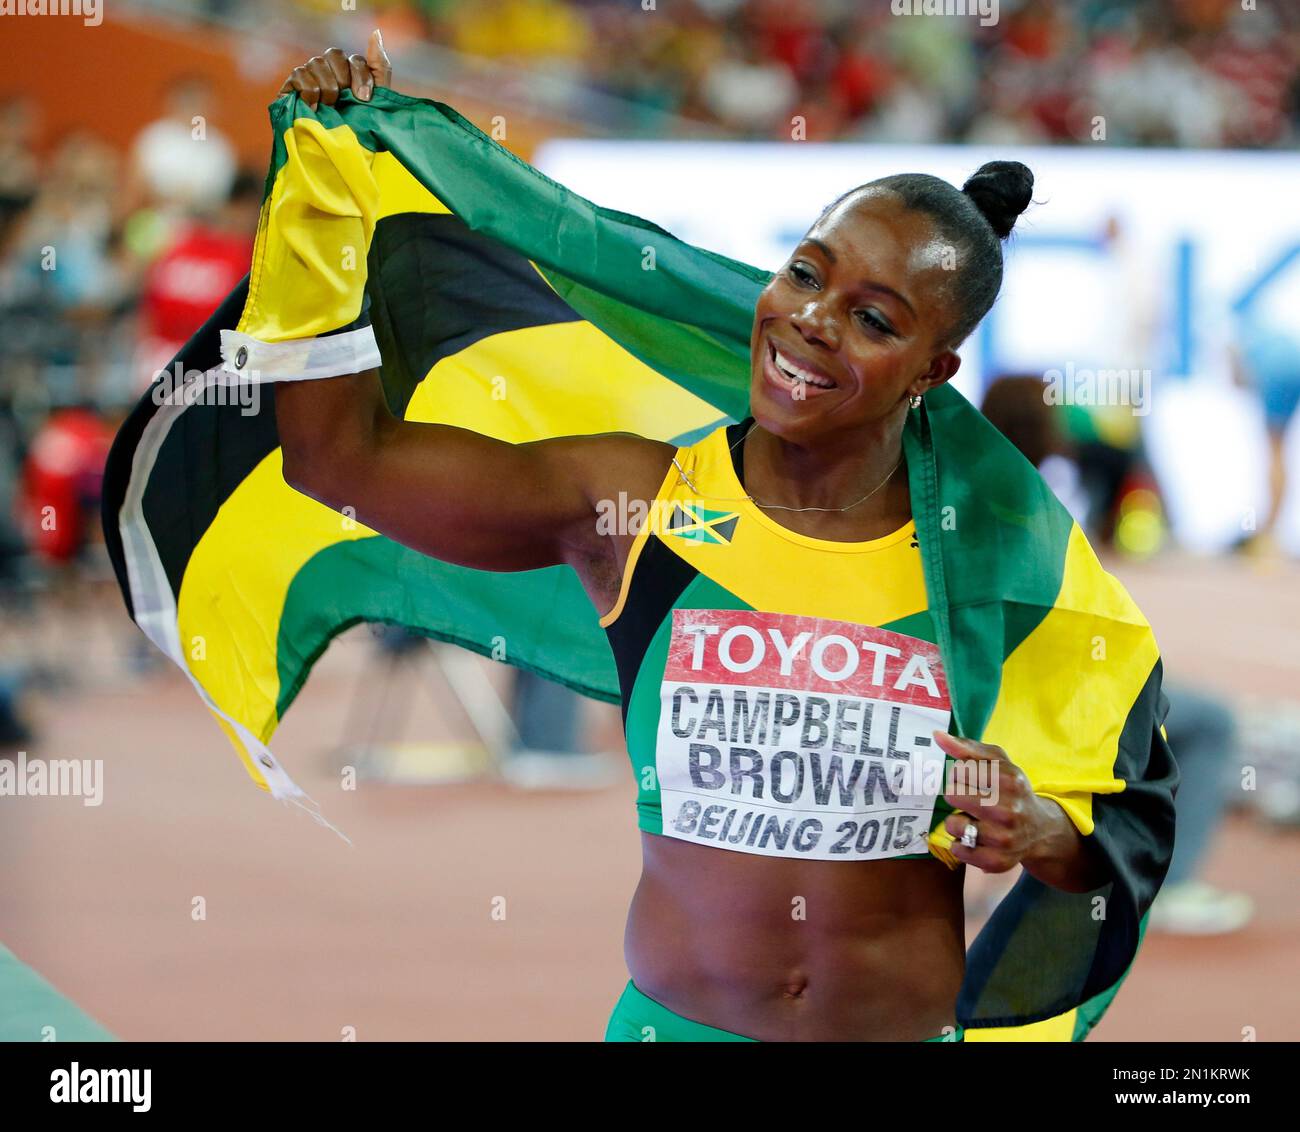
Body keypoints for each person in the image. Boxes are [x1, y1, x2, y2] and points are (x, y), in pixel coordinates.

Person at [268, 33, 1167, 1043]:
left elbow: (1118, 818)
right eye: (803, 274)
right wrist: (323, 193)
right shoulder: (637, 499)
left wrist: (1036, 827)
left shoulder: (992, 556)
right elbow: (337, 460)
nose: (811, 321)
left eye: (873, 317)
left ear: (933, 370)